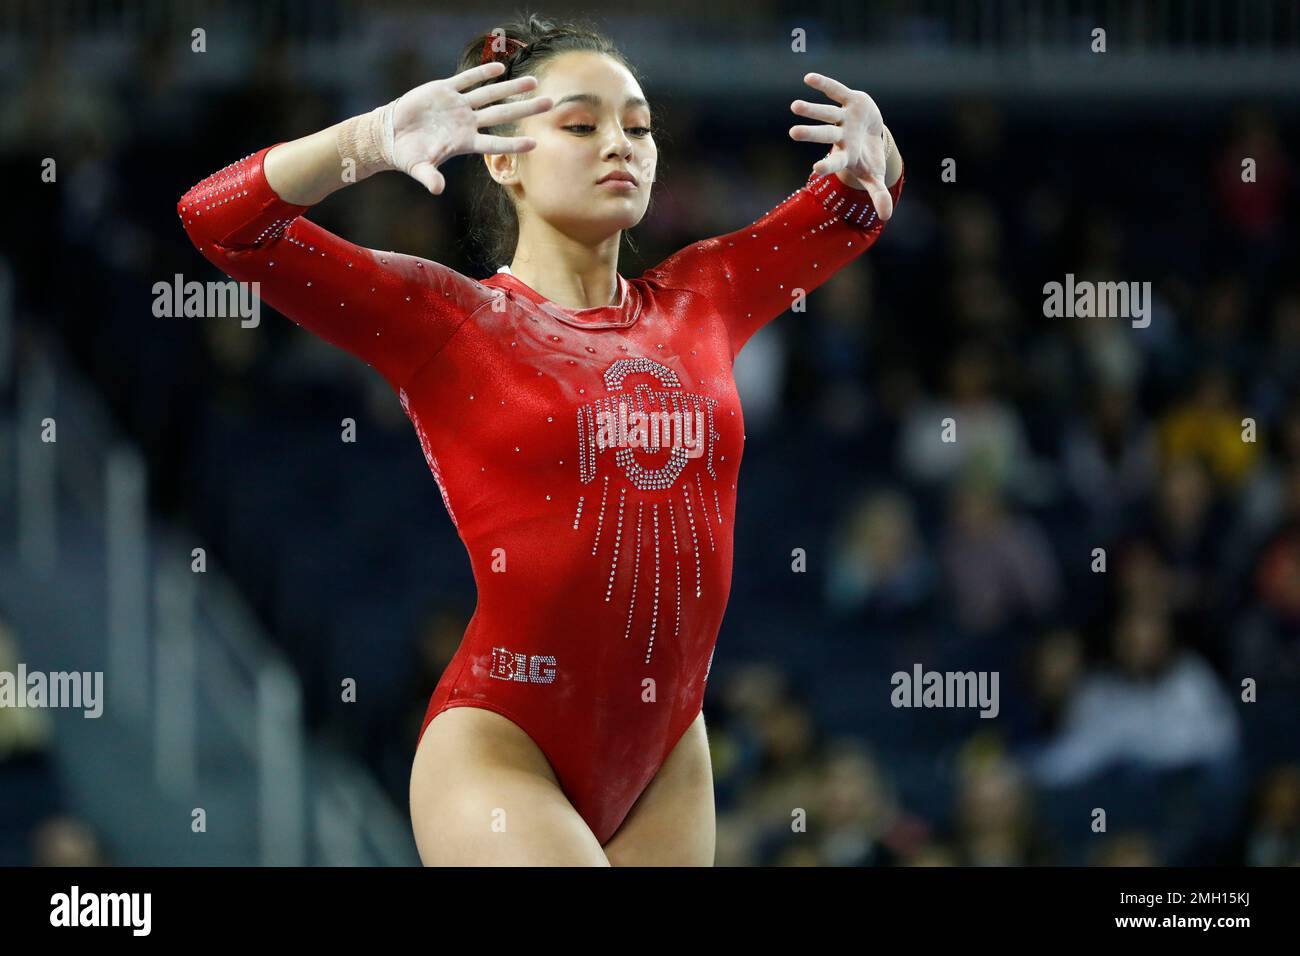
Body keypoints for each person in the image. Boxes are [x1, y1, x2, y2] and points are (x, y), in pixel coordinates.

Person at [177, 14, 904, 865]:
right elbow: (216, 223)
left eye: (637, 127)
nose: (620, 145)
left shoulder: (702, 295)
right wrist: (366, 141)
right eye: (581, 124)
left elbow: (859, 208)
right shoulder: (449, 322)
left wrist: (874, 155)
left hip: (666, 752)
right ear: (502, 157)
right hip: (503, 744)